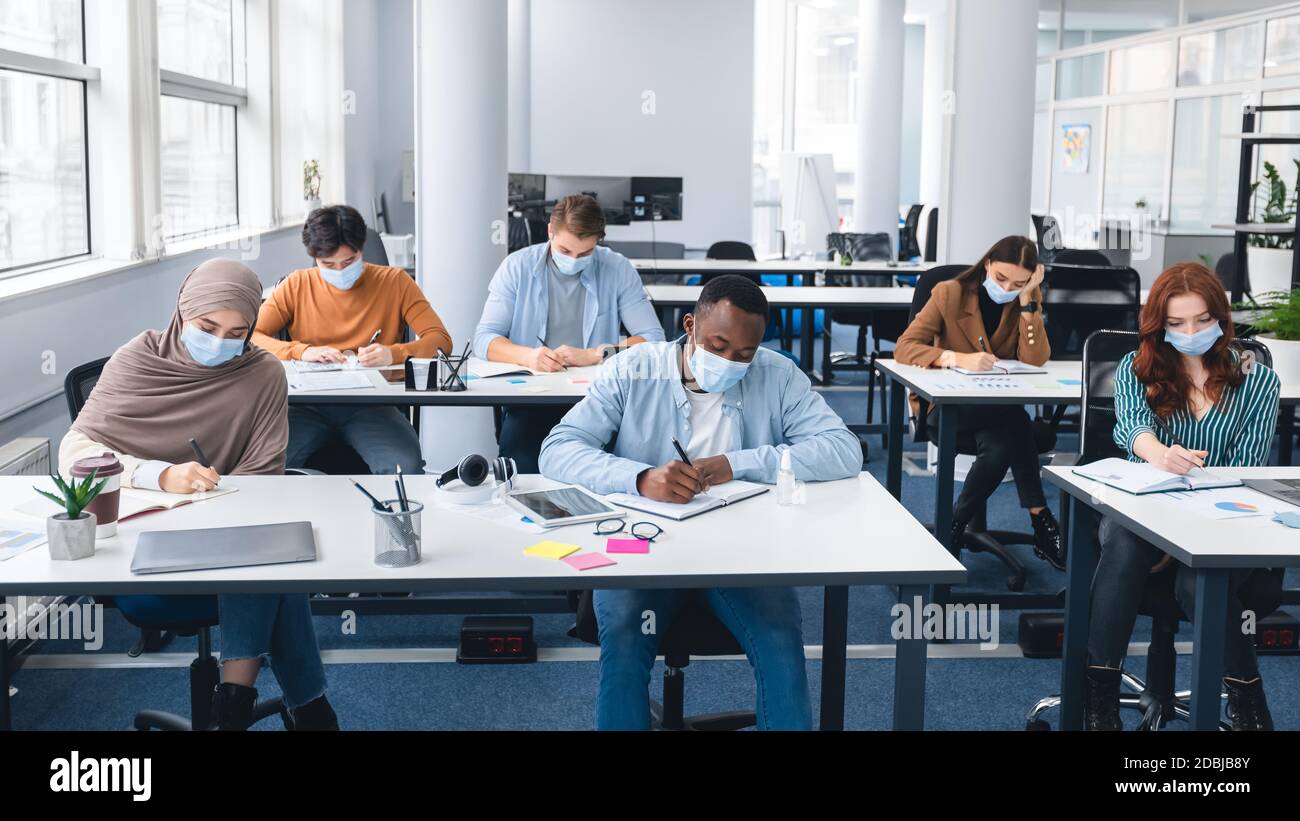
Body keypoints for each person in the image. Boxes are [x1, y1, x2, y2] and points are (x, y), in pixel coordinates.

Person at [539, 275, 862, 730]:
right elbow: (558, 448)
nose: (731, 361)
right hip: (644, 551)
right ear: (690, 325)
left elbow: (843, 449)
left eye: (744, 354)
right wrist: (639, 477)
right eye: (719, 345)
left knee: (779, 639)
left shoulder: (777, 373)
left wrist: (736, 463)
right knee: (628, 638)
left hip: (742, 552)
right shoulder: (633, 369)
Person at [59, 259, 337, 730]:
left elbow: (264, 477)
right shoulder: (139, 356)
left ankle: (234, 702)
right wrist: (157, 475)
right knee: (276, 566)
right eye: (208, 326)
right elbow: (75, 452)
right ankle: (290, 703)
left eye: (237, 333)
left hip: (226, 531)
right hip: (142, 540)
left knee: (261, 545)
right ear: (183, 310)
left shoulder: (263, 372)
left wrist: (215, 500)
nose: (220, 342)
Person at [1084, 262, 1281, 731]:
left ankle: (1249, 704)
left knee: (1199, 580)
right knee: (1129, 544)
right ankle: (1099, 704)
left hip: (1220, 519)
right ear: (1158, 324)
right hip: (1145, 511)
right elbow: (1131, 427)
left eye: (1201, 320)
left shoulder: (1257, 381)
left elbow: (1246, 470)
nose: (1190, 331)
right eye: (1175, 323)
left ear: (1220, 317)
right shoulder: (1138, 367)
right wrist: (1157, 453)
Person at [894, 235, 1064, 569]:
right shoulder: (950, 293)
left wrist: (1029, 303)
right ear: (987, 264)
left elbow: (1036, 359)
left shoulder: (1024, 298)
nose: (1007, 287)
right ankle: (1041, 517)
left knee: (1003, 441)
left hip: (996, 412)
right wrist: (955, 357)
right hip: (947, 412)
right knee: (1017, 424)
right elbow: (905, 347)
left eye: (1018, 282)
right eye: (1001, 278)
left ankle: (954, 527)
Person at [252, 204, 452, 474]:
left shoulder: (395, 282)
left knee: (406, 465)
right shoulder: (297, 284)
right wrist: (301, 351)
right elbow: (252, 335)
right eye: (328, 265)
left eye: (348, 262)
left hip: (371, 404)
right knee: (263, 465)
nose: (339, 271)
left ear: (361, 251)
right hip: (308, 406)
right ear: (314, 258)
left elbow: (440, 340)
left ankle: (394, 519)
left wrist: (394, 353)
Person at [473, 194, 666, 472]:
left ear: (598, 241)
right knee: (522, 468)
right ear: (550, 231)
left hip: (597, 398)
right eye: (565, 251)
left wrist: (596, 354)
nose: (574, 260)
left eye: (585, 253)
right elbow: (485, 338)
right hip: (531, 398)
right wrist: (528, 357)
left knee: (605, 471)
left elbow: (653, 339)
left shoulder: (617, 268)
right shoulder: (518, 267)